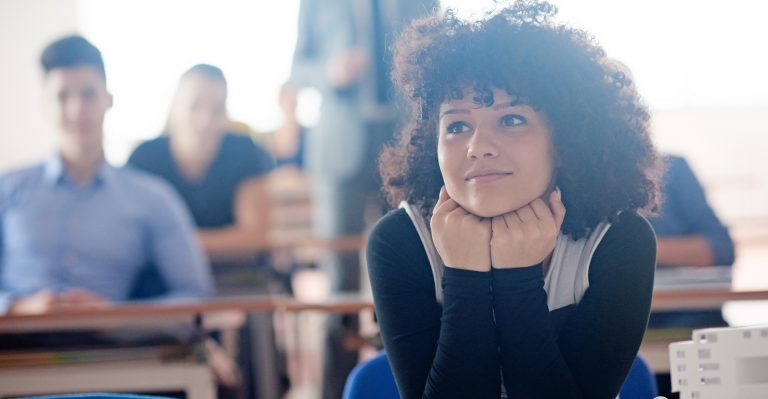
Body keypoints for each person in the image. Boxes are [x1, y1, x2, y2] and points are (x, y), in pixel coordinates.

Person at [367, 2, 661, 398]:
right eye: (457, 125)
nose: (477, 147)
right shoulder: (401, 241)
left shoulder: (619, 240)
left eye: (511, 120)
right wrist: (466, 276)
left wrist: (517, 275)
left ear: (565, 140)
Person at [0, 35, 213, 316]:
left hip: (112, 340)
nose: (77, 109)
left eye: (88, 94)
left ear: (108, 99)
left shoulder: (152, 198)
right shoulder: (8, 189)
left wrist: (116, 313)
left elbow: (196, 294)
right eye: (62, 96)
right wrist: (17, 308)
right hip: (13, 339)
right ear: (45, 105)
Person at [289, 1, 437, 397]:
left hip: (406, 138)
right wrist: (329, 71)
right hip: (341, 149)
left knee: (410, 266)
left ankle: (407, 383)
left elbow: (434, 48)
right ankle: (334, 391)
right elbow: (298, 68)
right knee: (339, 278)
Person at [128, 64, 275, 293]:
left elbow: (254, 238)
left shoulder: (244, 151)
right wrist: (222, 242)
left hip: (235, 279)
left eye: (217, 109)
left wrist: (172, 245)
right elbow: (133, 240)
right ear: (175, 107)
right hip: (163, 283)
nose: (206, 119)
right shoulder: (145, 157)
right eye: (195, 105)